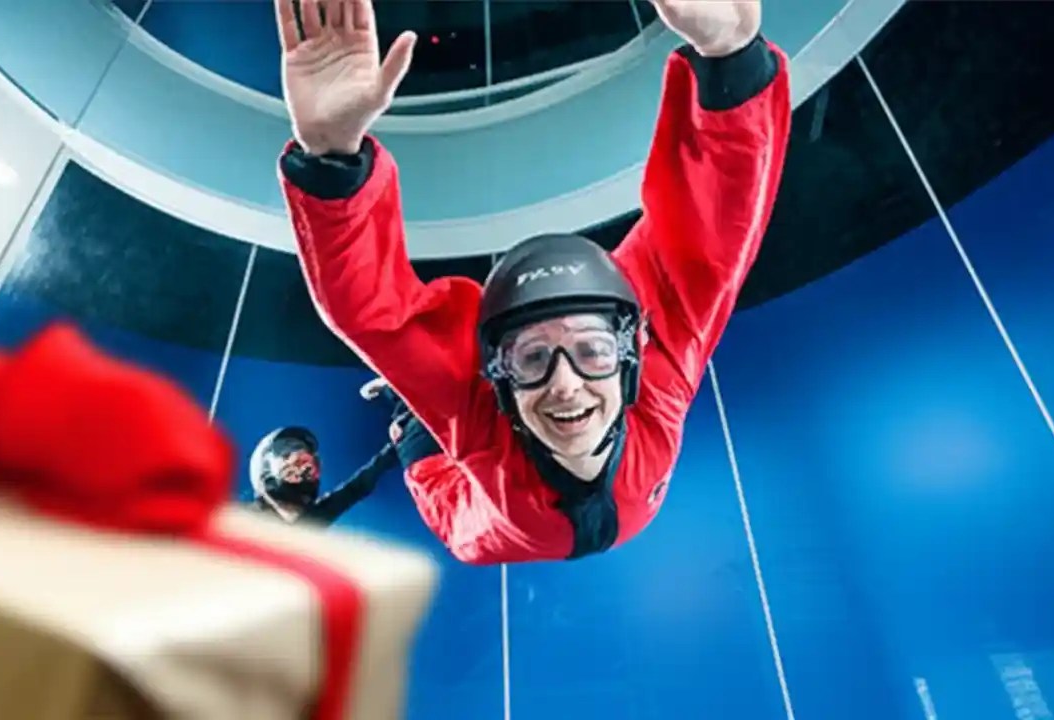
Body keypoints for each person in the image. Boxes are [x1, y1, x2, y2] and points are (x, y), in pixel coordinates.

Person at [274, 0, 791, 563]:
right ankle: (411, 411)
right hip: (489, 513)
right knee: (431, 451)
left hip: (523, 499)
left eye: (590, 351)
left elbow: (369, 312)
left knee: (424, 395)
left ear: (629, 352)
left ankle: (412, 407)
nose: (565, 384)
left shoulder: (608, 381)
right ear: (497, 377)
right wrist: (733, 63)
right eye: (533, 359)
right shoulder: (630, 381)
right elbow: (715, 233)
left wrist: (330, 162)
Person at [249, 424, 395, 525]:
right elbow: (355, 489)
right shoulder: (244, 520)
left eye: (306, 471)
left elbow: (355, 489)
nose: (302, 470)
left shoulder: (310, 520)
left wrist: (395, 447)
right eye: (291, 470)